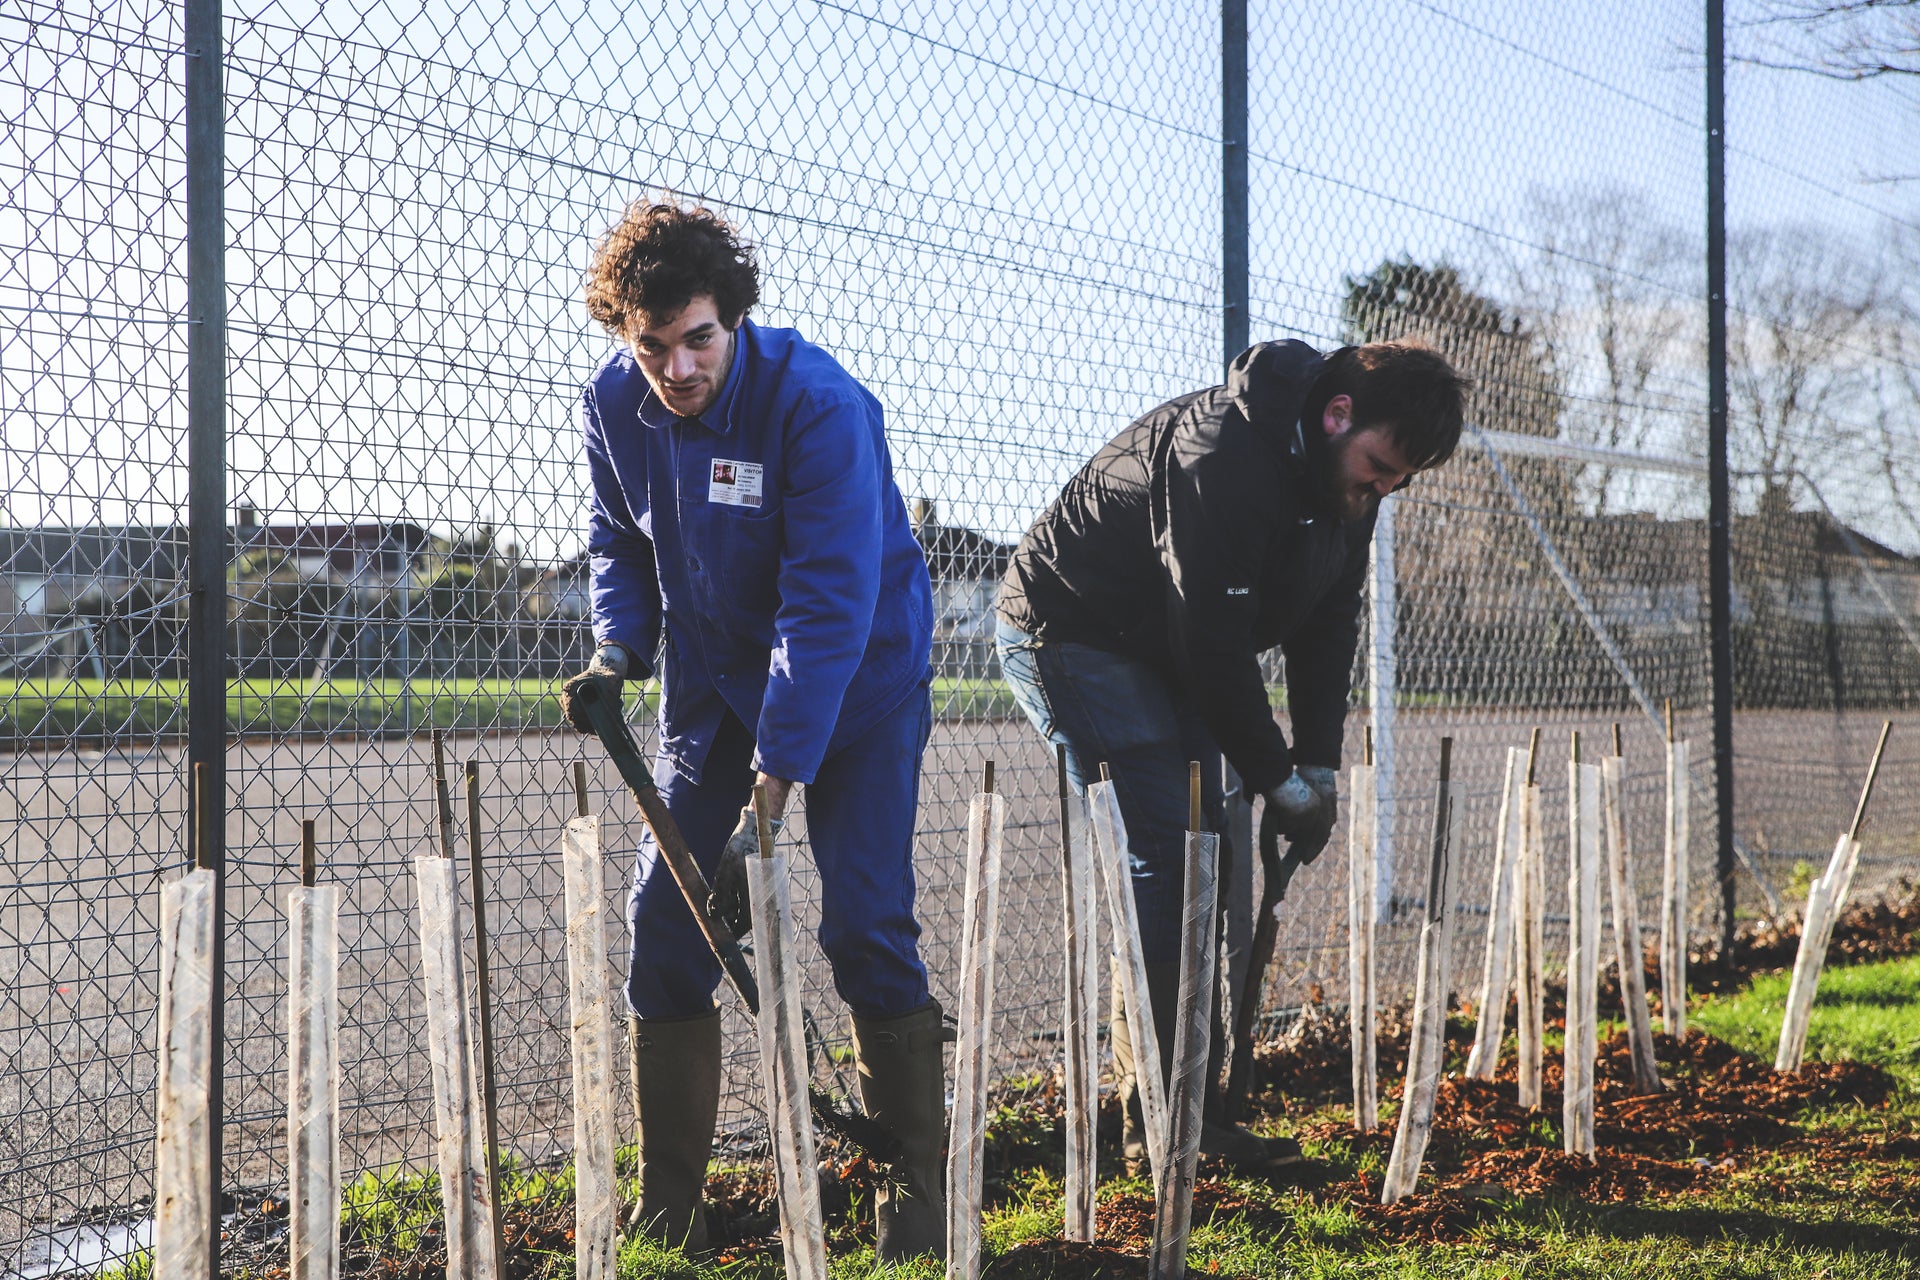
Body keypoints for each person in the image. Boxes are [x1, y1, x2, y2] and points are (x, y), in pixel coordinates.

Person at [564, 201, 944, 1260]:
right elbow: (619, 546)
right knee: (664, 912)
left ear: (735, 318)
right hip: (713, 677)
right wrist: (618, 653)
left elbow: (823, 608)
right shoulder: (614, 404)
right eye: (652, 347)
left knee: (864, 920)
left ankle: (913, 1191)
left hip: (860, 681)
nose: (676, 369)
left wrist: (768, 801)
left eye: (697, 339)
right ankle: (672, 1209)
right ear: (625, 339)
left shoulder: (816, 407)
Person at [995, 338, 1468, 1171]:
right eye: (1380, 467)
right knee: (1167, 857)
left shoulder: (1348, 485)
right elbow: (1215, 647)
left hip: (1165, 648)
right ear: (1337, 415)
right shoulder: (1224, 452)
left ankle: (1188, 1114)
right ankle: (1162, 1129)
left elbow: (1329, 623)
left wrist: (1315, 764)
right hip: (1072, 631)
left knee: (1206, 861)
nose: (1384, 488)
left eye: (1400, 479)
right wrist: (1276, 778)